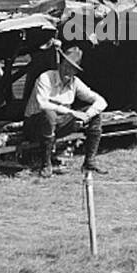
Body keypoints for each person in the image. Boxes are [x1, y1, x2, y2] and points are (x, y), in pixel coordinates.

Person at [23, 44, 107, 175]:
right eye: (66, 66)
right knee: (49, 114)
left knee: (96, 116)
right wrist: (72, 112)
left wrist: (86, 116)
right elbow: (42, 104)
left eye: (73, 69)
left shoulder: (75, 82)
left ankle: (89, 162)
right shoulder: (46, 77)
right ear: (60, 64)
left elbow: (101, 101)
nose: (68, 71)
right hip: (35, 125)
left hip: (59, 124)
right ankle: (46, 164)